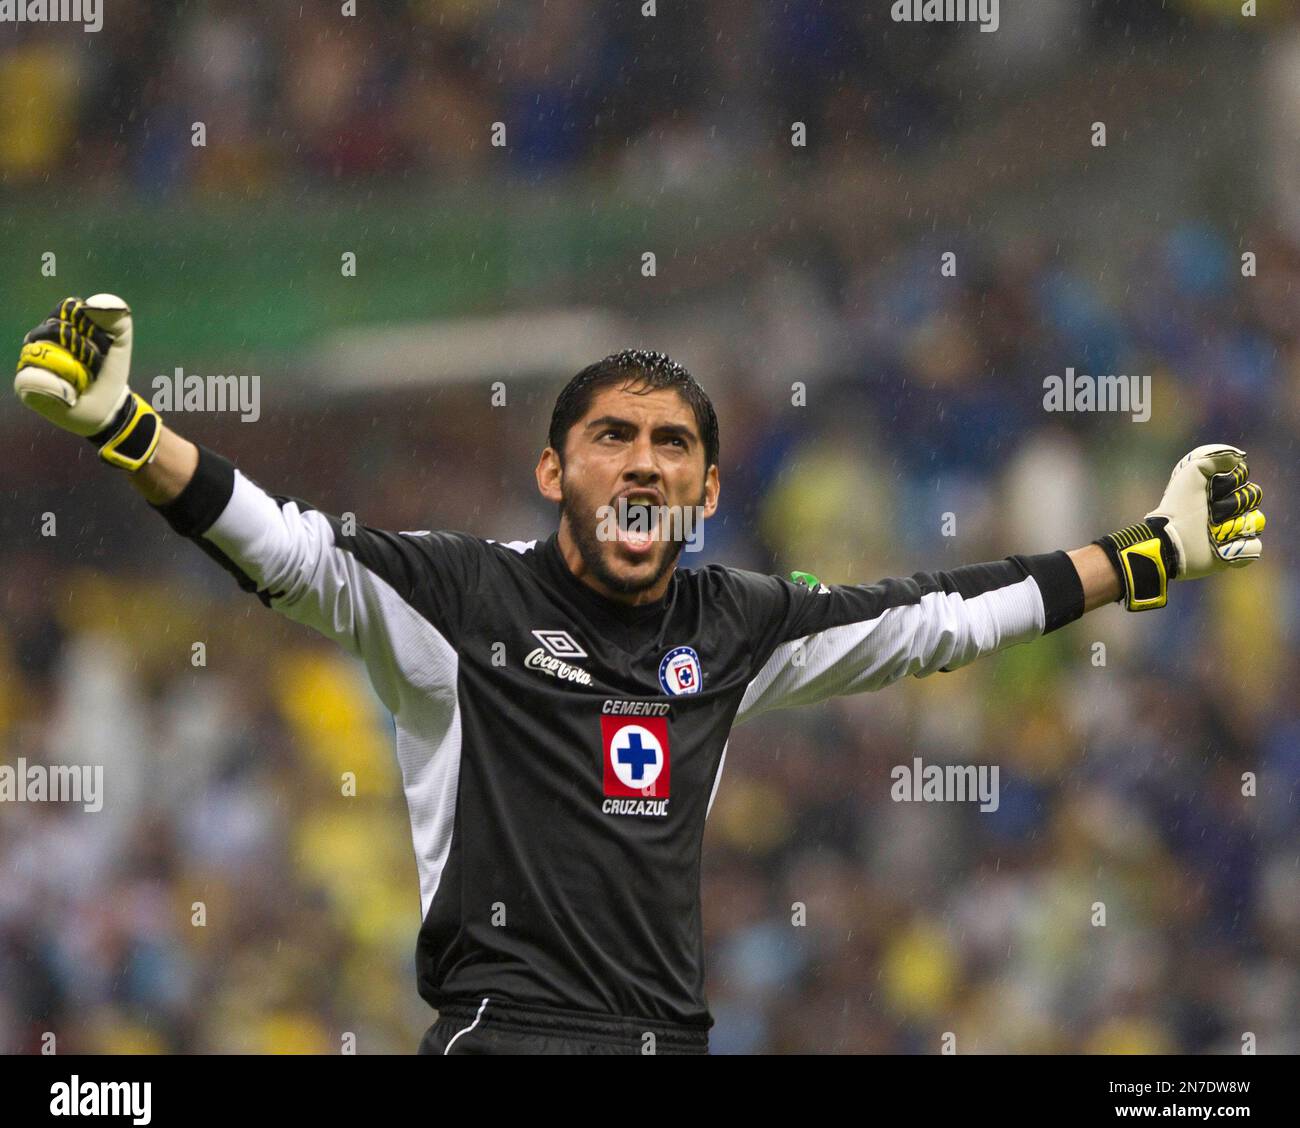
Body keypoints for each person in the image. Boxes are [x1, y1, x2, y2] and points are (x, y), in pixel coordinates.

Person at [13, 294, 1269, 1055]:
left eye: (673, 444)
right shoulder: (459, 596)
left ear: (708, 491)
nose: (644, 461)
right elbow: (281, 545)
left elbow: (943, 614)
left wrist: (1148, 552)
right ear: (556, 471)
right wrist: (130, 428)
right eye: (611, 436)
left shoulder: (735, 626)